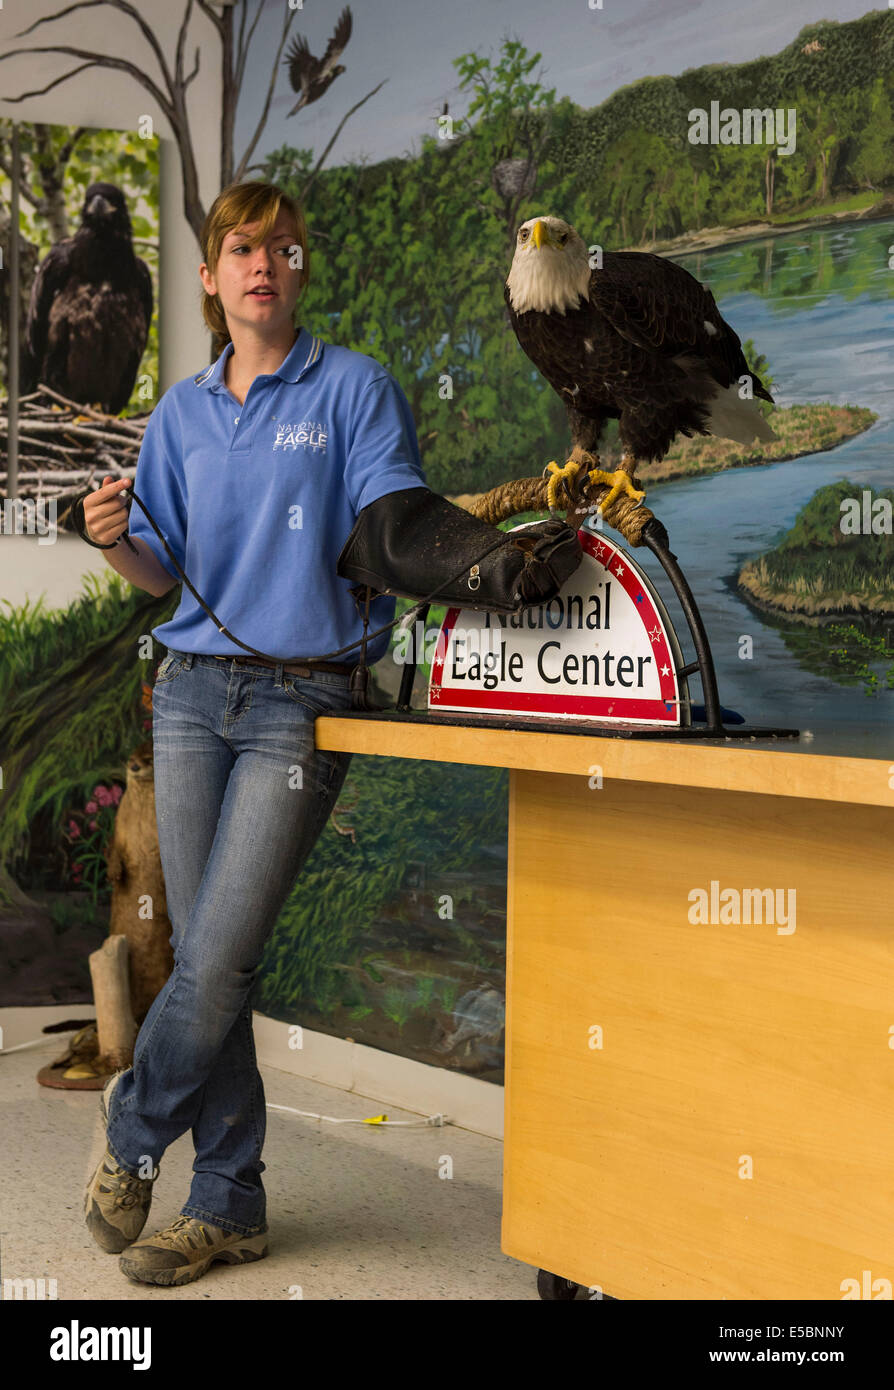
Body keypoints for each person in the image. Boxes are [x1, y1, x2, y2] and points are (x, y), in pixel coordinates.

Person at [81, 179, 429, 1287]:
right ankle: (227, 1204)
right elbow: (162, 569)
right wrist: (110, 540)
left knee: (220, 953)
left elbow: (392, 526)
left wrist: (437, 557)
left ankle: (132, 1130)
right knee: (205, 963)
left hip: (301, 699)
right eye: (241, 247)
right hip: (188, 694)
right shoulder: (181, 413)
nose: (262, 263)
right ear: (210, 275)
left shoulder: (357, 390)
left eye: (281, 247)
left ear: (299, 270)